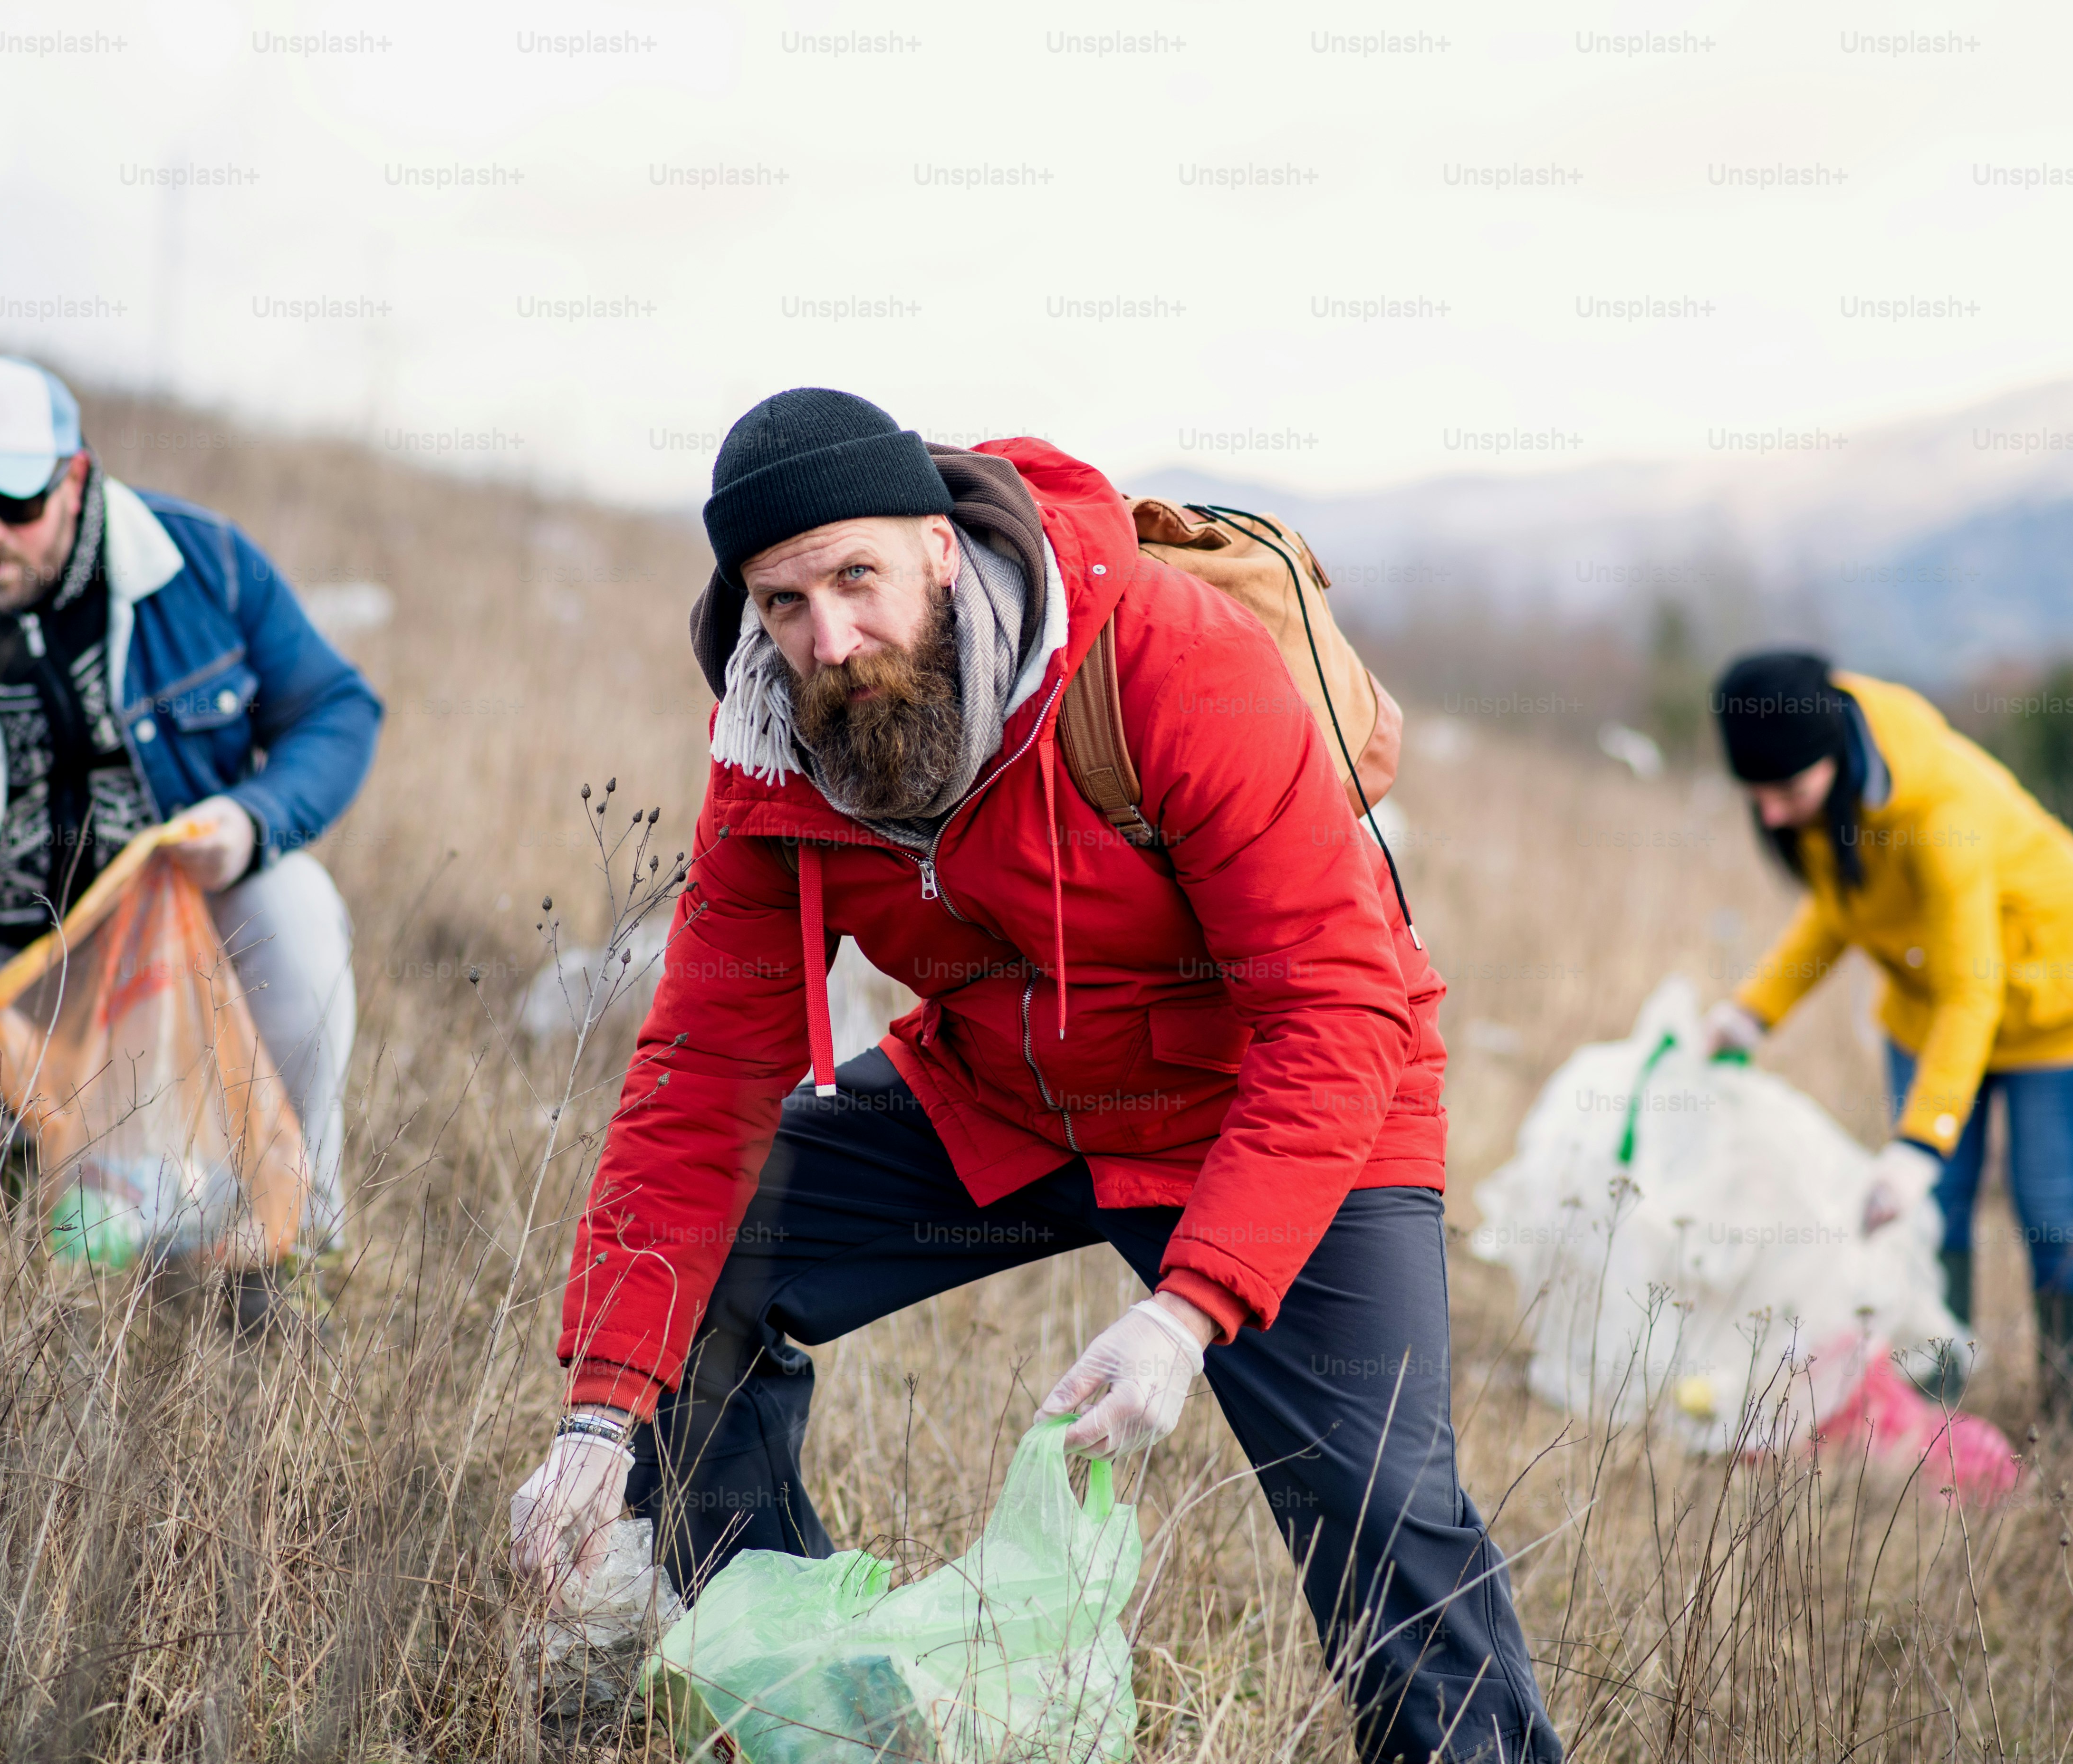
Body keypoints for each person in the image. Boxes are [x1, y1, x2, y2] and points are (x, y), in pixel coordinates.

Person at [510, 390, 1559, 1764]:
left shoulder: (1168, 665)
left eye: (855, 578)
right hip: (1006, 1098)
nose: (828, 640)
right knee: (714, 1279)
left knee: (1379, 1499)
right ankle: (794, 1687)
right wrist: (602, 1412)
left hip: (1277, 1107)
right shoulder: (773, 753)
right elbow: (704, 1073)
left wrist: (1190, 1311)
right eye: (781, 604)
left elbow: (1337, 1008)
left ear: (941, 548)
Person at [0, 354, 381, 1315]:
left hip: (172, 961)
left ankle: (282, 1245)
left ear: (76, 477)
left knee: (295, 905)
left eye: (15, 504)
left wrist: (251, 820)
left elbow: (336, 709)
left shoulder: (205, 566)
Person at [1701, 652, 2073, 1420]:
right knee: (1930, 1210)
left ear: (1832, 761)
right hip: (1927, 1003)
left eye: (1787, 794)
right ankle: (1935, 1410)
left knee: (2051, 1204)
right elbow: (1843, 908)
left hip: (2056, 1003)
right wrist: (1754, 1010)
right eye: (1757, 797)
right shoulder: (1821, 787)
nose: (1771, 815)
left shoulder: (1941, 810)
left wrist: (1919, 1142)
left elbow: (1975, 989)